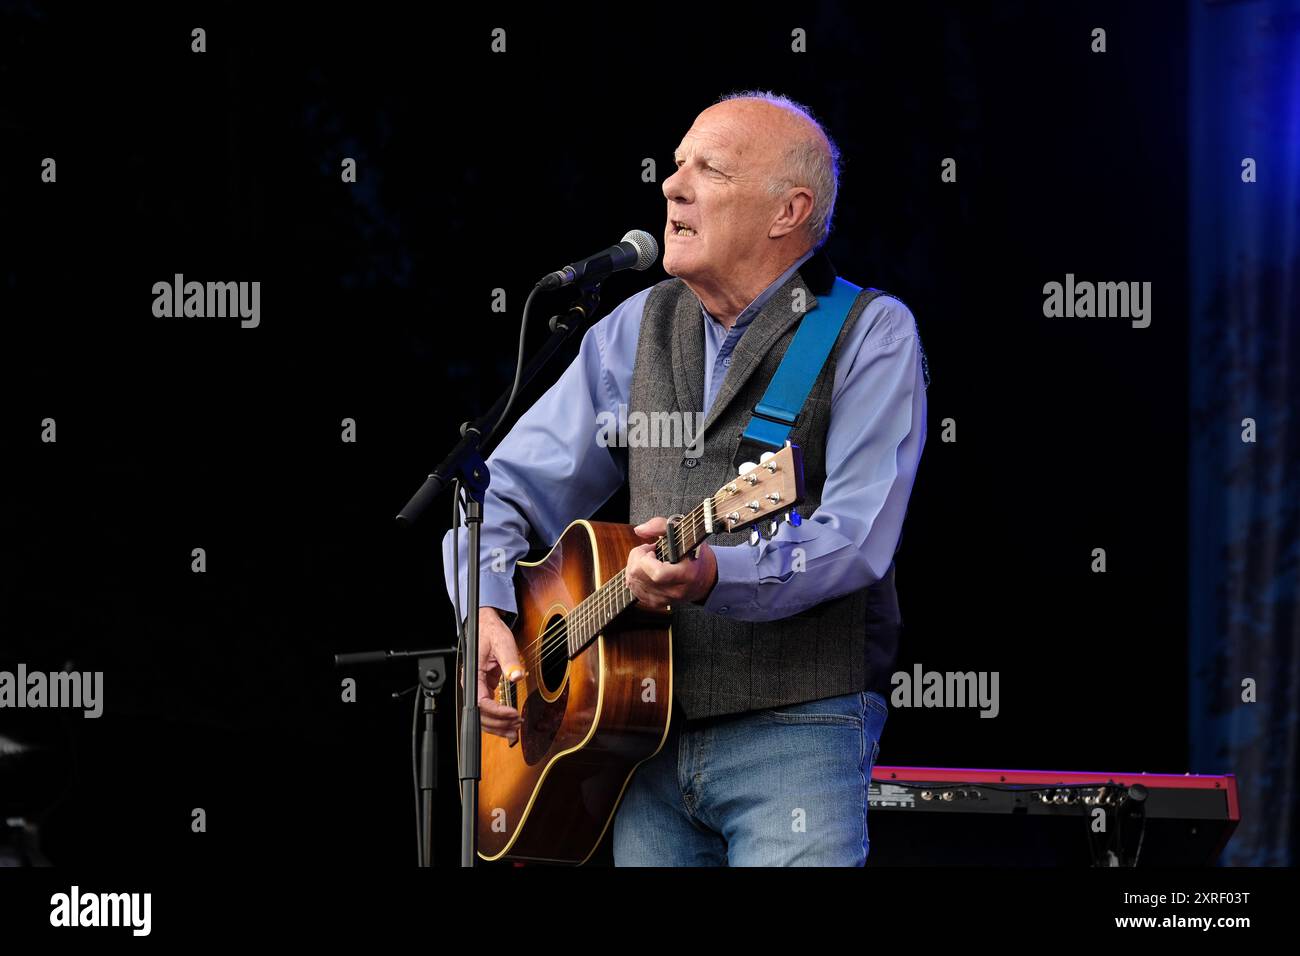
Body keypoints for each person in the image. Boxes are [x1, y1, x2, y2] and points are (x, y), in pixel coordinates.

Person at [443, 90, 928, 865]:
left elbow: (857, 538)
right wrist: (489, 613)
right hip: (636, 747)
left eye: (710, 169)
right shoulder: (635, 326)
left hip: (796, 731)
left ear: (787, 211)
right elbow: (495, 489)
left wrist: (715, 574)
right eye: (676, 167)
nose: (672, 187)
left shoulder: (870, 332)